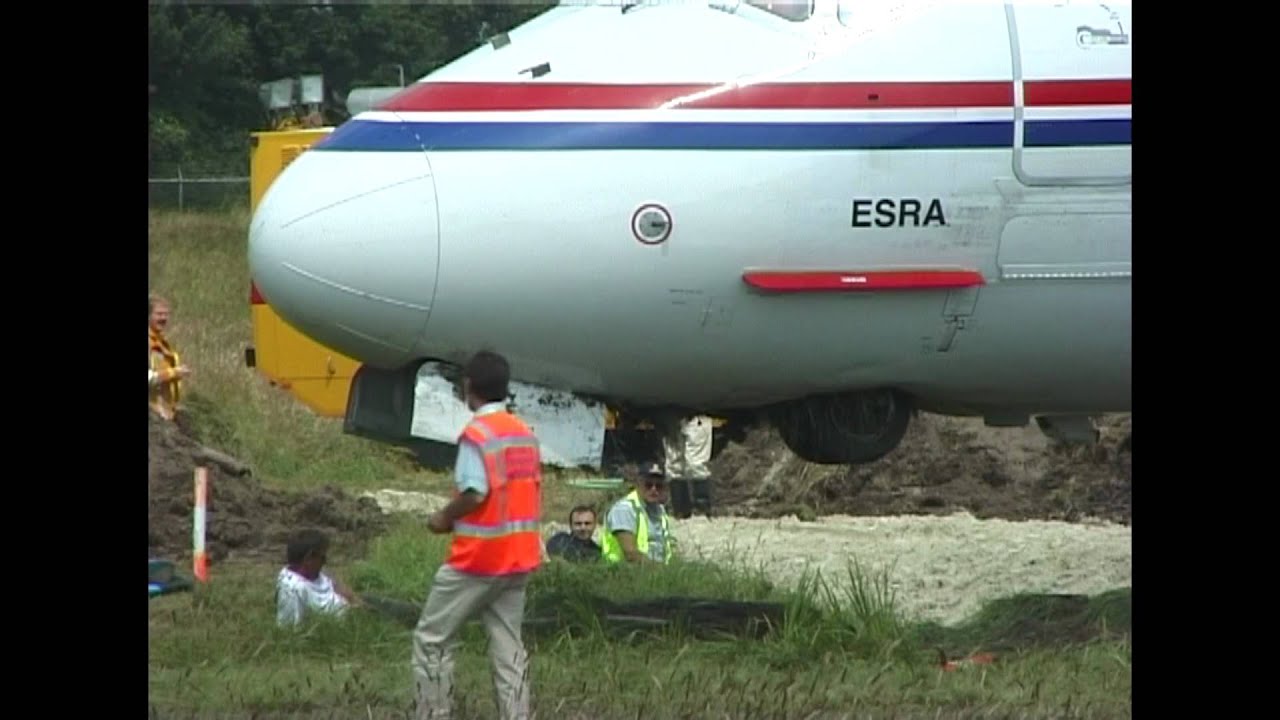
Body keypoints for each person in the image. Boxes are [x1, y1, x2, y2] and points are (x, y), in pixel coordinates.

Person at [413, 351, 543, 720]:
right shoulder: (524, 435)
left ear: (469, 385)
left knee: (432, 640)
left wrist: (442, 517)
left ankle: (432, 713)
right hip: (518, 559)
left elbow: (475, 492)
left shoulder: (477, 436)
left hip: (477, 560)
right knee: (509, 649)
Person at [276, 528, 362, 627]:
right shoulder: (293, 590)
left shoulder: (315, 573)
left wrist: (357, 603)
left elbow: (341, 588)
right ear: (308, 558)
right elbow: (290, 630)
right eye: (322, 557)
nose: (325, 562)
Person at [600, 463, 675, 564]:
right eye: (648, 485)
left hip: (655, 572)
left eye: (659, 486)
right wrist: (660, 572)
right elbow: (630, 554)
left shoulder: (659, 510)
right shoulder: (624, 509)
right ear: (638, 484)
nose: (654, 489)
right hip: (623, 572)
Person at [662, 414, 715, 519]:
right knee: (674, 465)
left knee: (696, 464)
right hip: (670, 415)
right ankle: (680, 510)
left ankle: (702, 509)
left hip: (697, 415)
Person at [148, 294, 191, 421]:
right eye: (159, 314)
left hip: (164, 416)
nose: (164, 318)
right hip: (153, 418)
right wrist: (173, 373)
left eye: (166, 314)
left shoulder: (162, 343)